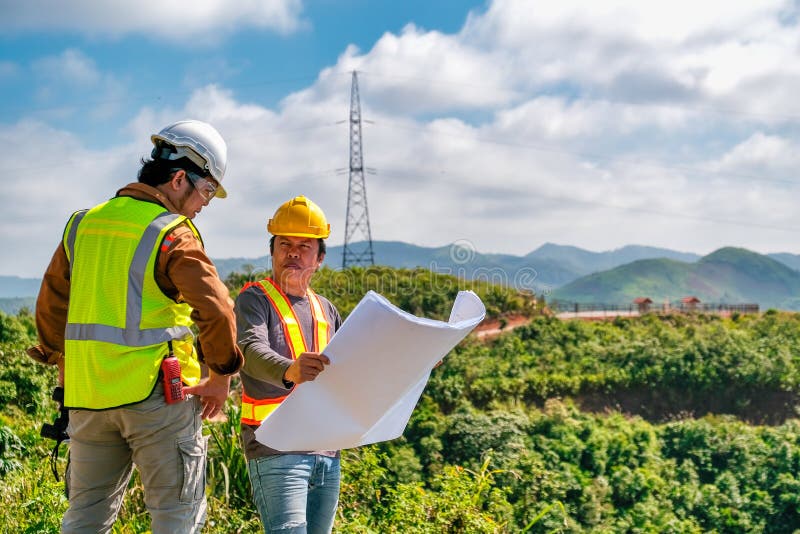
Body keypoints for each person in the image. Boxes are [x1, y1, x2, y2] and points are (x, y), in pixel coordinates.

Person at [27, 119, 244, 533]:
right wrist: (221, 374)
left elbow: (52, 304)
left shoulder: (82, 224)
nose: (205, 204)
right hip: (159, 396)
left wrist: (60, 362)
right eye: (207, 192)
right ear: (180, 178)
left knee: (85, 517)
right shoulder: (172, 233)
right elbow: (216, 309)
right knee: (177, 516)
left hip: (88, 398)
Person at [235, 195, 342, 534]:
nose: (293, 252)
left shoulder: (326, 309)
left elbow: (354, 366)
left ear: (320, 258)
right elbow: (249, 350)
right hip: (275, 447)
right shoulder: (255, 299)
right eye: (285, 244)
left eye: (304, 246)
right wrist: (289, 369)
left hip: (326, 450)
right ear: (272, 251)